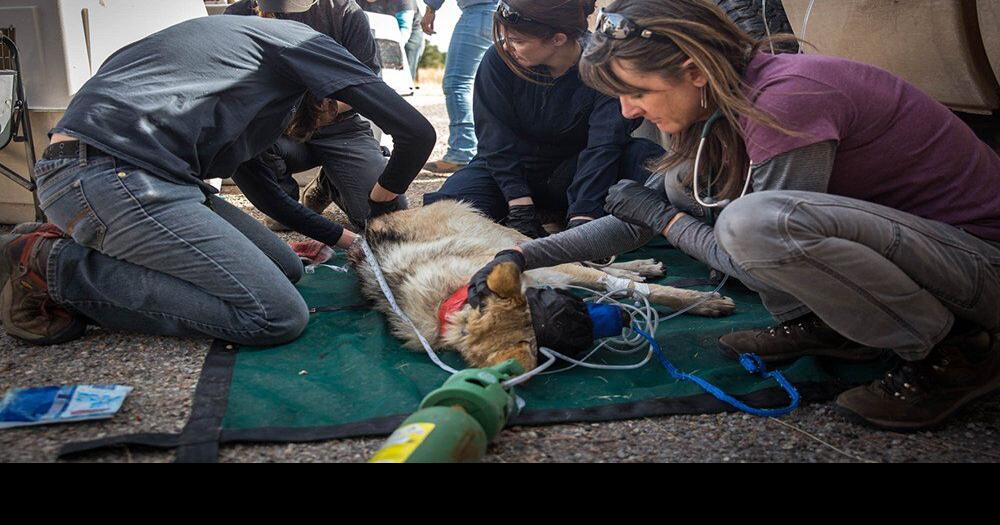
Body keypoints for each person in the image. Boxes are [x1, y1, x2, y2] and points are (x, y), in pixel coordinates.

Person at [468, 0, 1000, 431]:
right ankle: (834, 326)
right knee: (683, 183)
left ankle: (955, 355)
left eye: (636, 92)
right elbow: (638, 220)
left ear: (693, 71)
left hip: (979, 269)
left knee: (755, 223)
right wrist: (518, 253)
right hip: (928, 261)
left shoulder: (788, 98)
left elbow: (752, 257)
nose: (629, 110)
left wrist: (670, 221)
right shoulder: (722, 104)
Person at [0, 12, 435, 347]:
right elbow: (416, 133)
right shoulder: (308, 44)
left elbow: (267, 196)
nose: (336, 114)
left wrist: (351, 240)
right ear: (329, 83)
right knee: (276, 316)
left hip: (135, 173)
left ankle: (87, 234)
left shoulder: (240, 70)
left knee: (286, 268)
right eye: (336, 107)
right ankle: (55, 266)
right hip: (105, 172)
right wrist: (381, 203)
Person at [423, 0, 664, 238]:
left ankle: (565, 215)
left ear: (557, 39)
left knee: (645, 160)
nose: (507, 46)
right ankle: (534, 214)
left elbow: (603, 146)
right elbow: (494, 137)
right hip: (510, 171)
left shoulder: (603, 67)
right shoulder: (498, 60)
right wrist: (518, 202)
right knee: (446, 212)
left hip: (575, 170)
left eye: (518, 41)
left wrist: (583, 218)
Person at [226, 0, 391, 231]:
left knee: (382, 221)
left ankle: (330, 182)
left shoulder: (344, 10)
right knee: (237, 138)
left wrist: (318, 111)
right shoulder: (238, 14)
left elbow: (368, 84)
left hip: (340, 126)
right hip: (278, 131)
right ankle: (286, 204)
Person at [420, 0, 499, 173]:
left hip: (479, 12)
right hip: (505, 13)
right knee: (493, 84)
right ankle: (493, 152)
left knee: (457, 84)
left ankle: (462, 151)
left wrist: (431, 8)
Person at [361, 0, 426, 81]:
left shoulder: (404, 1)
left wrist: (391, 51)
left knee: (404, 68)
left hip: (409, 31)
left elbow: (404, 28)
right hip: (380, 26)